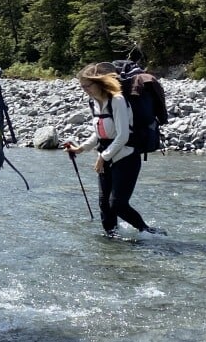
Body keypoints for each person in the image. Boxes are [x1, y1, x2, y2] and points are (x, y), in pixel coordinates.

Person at [62, 63, 166, 240]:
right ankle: (112, 241)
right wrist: (80, 148)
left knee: (117, 204)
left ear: (99, 82)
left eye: (88, 85)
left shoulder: (117, 100)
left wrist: (103, 157)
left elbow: (123, 135)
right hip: (108, 156)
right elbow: (100, 134)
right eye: (82, 87)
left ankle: (149, 233)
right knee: (104, 205)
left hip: (126, 157)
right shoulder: (94, 102)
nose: (85, 90)